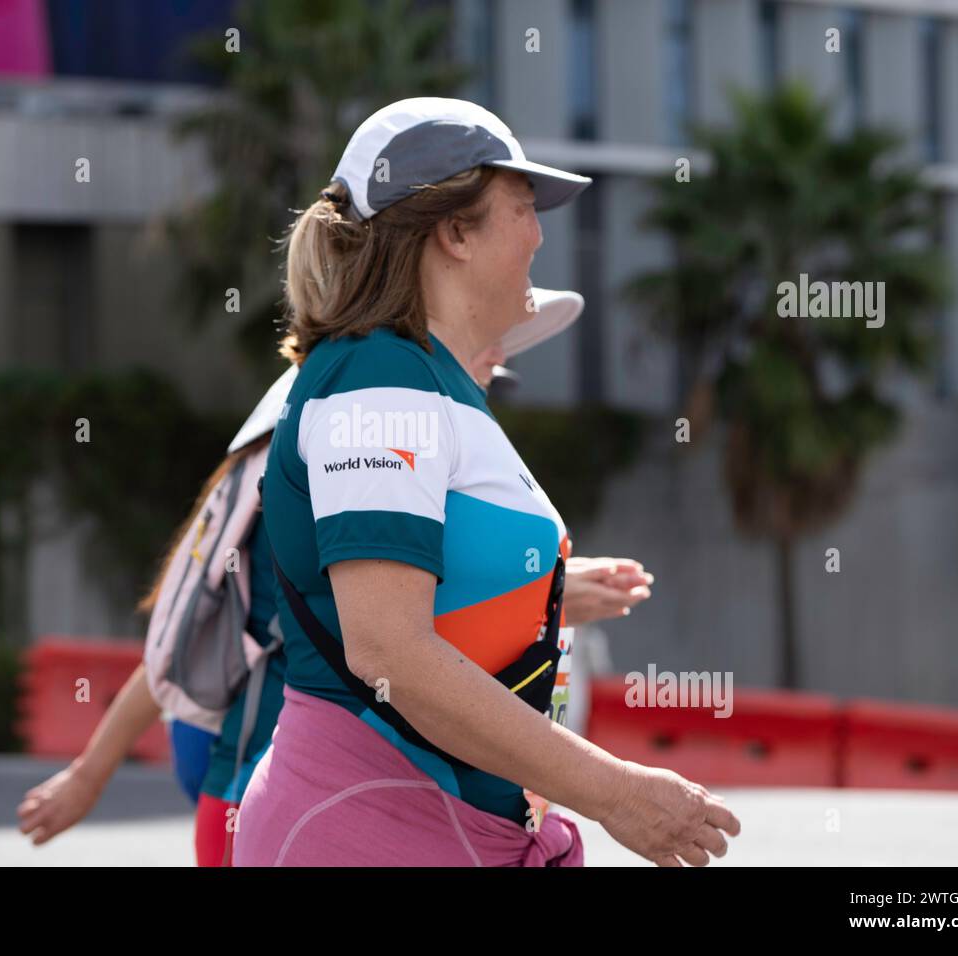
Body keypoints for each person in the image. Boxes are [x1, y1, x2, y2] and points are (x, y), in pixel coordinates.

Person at [234, 97, 740, 867]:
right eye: (522, 207)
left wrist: (550, 586)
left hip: (431, 823)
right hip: (370, 825)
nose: (539, 234)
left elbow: (424, 597)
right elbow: (390, 652)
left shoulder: (421, 381)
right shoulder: (380, 378)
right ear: (455, 232)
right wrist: (615, 793)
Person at [16, 285, 658, 865]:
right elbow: (222, 637)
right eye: (488, 346)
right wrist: (90, 773)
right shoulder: (347, 454)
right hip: (295, 804)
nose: (494, 366)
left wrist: (542, 590)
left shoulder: (364, 443)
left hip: (352, 809)